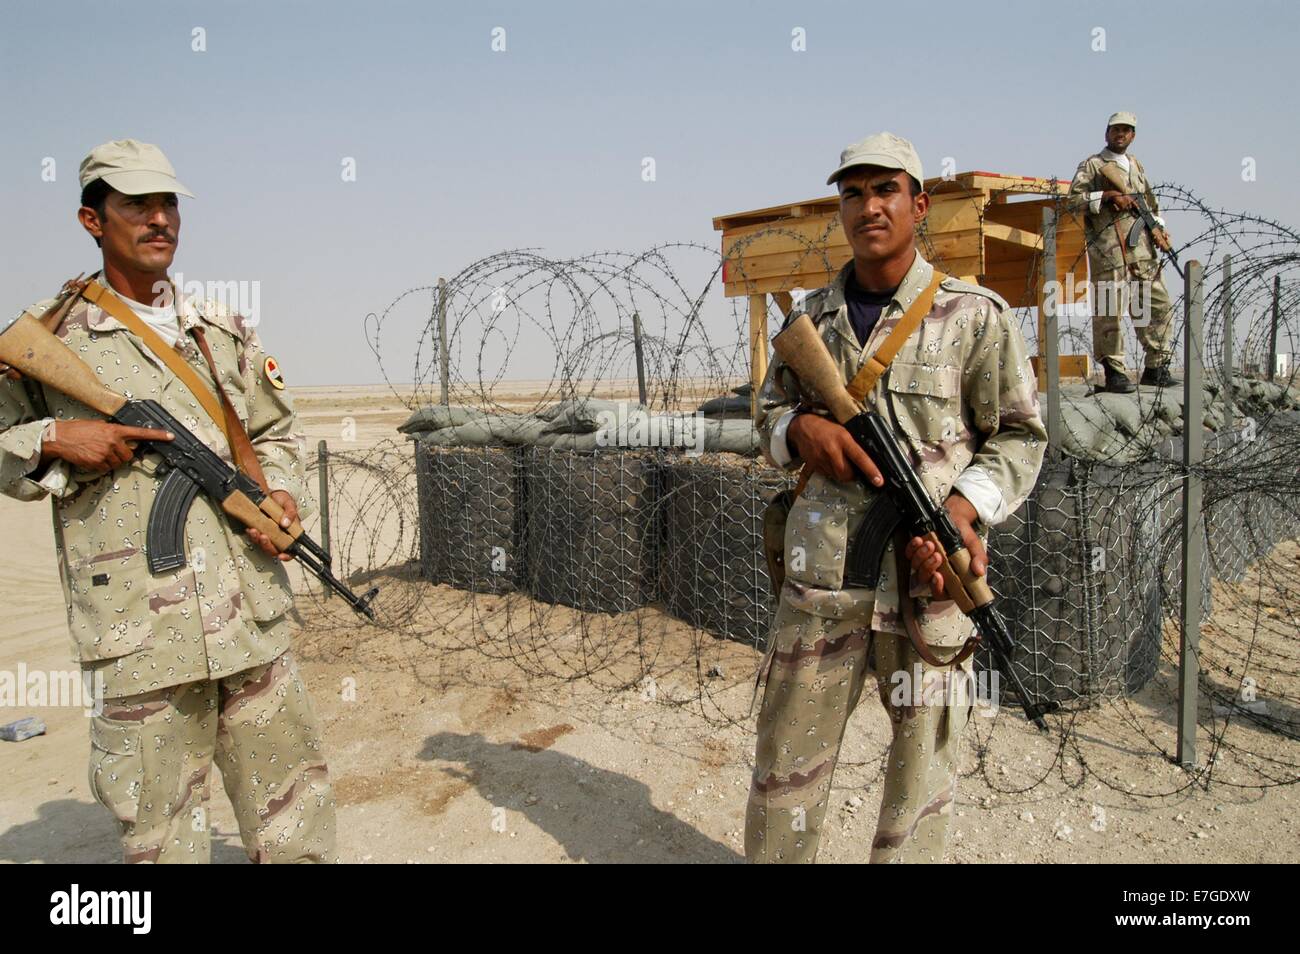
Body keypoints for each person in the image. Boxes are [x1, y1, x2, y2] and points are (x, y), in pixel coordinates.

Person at [0, 139, 336, 863]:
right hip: (140, 640)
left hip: (251, 619)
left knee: (295, 828)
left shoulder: (218, 329)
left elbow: (276, 429)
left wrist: (278, 489)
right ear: (92, 219)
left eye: (168, 204)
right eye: (136, 205)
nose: (159, 219)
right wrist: (58, 436)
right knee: (163, 846)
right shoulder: (47, 335)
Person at [746, 132, 1047, 863]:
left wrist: (961, 508)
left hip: (930, 585)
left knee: (920, 790)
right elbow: (764, 416)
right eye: (853, 194)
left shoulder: (976, 316)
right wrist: (801, 430)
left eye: (886, 191)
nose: (869, 207)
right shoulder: (811, 322)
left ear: (919, 206)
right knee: (786, 774)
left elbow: (1018, 435)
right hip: (821, 585)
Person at [1067, 111, 1178, 393]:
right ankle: (1114, 370)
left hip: (1141, 250)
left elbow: (1150, 204)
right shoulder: (1093, 166)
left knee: (1157, 305)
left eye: (1126, 130)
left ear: (1133, 136)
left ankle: (1156, 366)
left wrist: (1159, 229)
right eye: (1116, 129)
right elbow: (1072, 201)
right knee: (1110, 310)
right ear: (1107, 133)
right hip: (1110, 250)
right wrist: (1106, 196)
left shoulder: (1136, 165)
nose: (1121, 134)